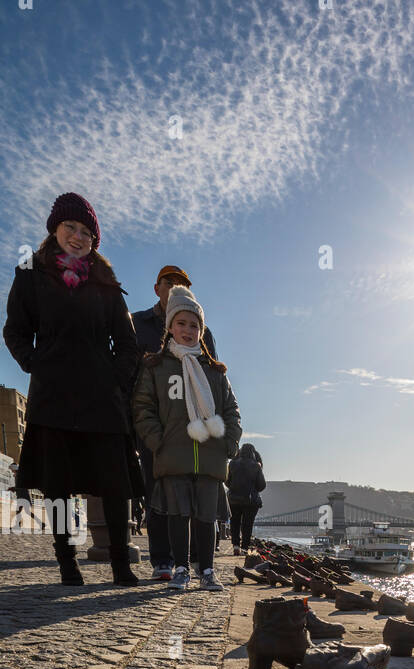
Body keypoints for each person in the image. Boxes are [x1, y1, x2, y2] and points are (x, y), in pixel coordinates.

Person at [2, 192, 143, 585]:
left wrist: (116, 380)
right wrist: (36, 364)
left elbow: (127, 343)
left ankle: (120, 564)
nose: (78, 237)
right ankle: (67, 563)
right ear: (55, 229)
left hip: (101, 397)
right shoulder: (30, 273)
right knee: (58, 486)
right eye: (71, 227)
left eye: (86, 232)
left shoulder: (106, 282)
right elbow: (14, 331)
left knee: (114, 482)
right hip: (54, 395)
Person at [132, 286, 240, 592]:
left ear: (202, 331)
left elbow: (232, 410)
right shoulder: (156, 367)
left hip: (210, 455)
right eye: (182, 323)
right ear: (170, 327)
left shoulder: (215, 372)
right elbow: (143, 408)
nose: (188, 330)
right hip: (173, 454)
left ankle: (206, 569)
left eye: (195, 325)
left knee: (206, 518)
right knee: (177, 516)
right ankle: (181, 568)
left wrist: (228, 443)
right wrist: (158, 442)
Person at [227, 442, 266, 553]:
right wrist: (253, 490)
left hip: (234, 499)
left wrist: (234, 487)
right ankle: (244, 548)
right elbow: (262, 485)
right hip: (251, 501)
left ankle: (235, 545)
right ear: (253, 453)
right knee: (247, 524)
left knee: (234, 522)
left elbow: (227, 481)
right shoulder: (256, 465)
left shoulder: (232, 464)